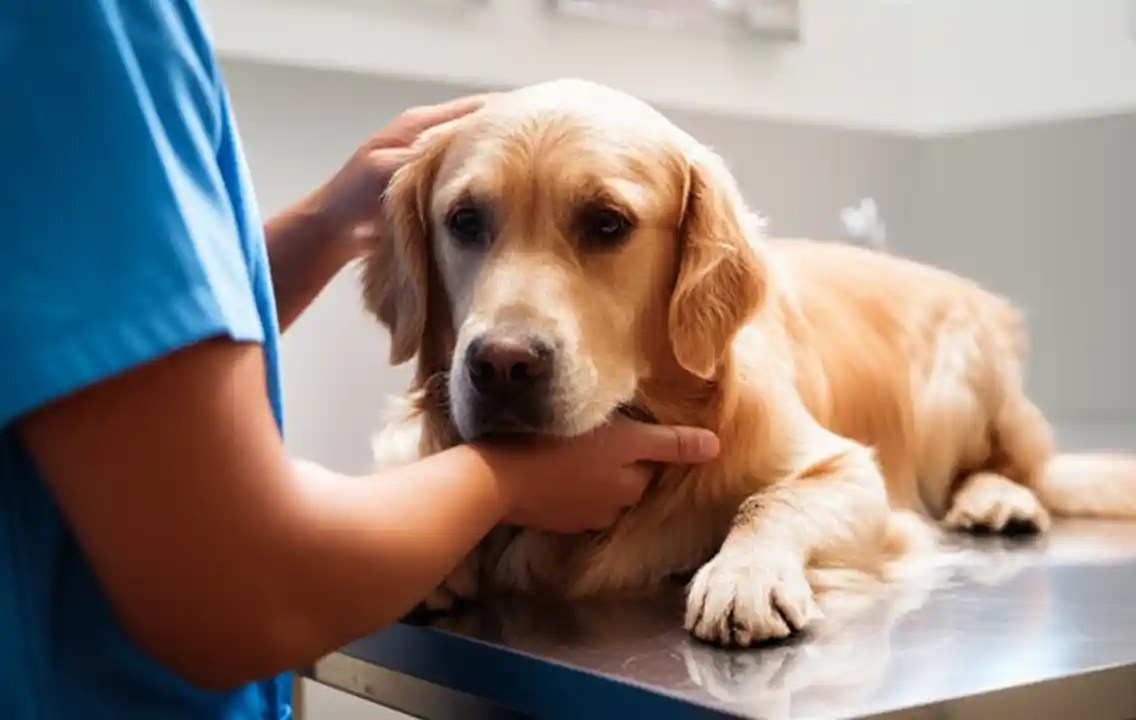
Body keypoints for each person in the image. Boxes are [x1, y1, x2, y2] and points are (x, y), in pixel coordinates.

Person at [0, 3, 720, 719]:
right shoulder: (79, 22)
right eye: (468, 224)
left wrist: (317, 230)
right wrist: (506, 480)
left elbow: (74, 325)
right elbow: (247, 592)